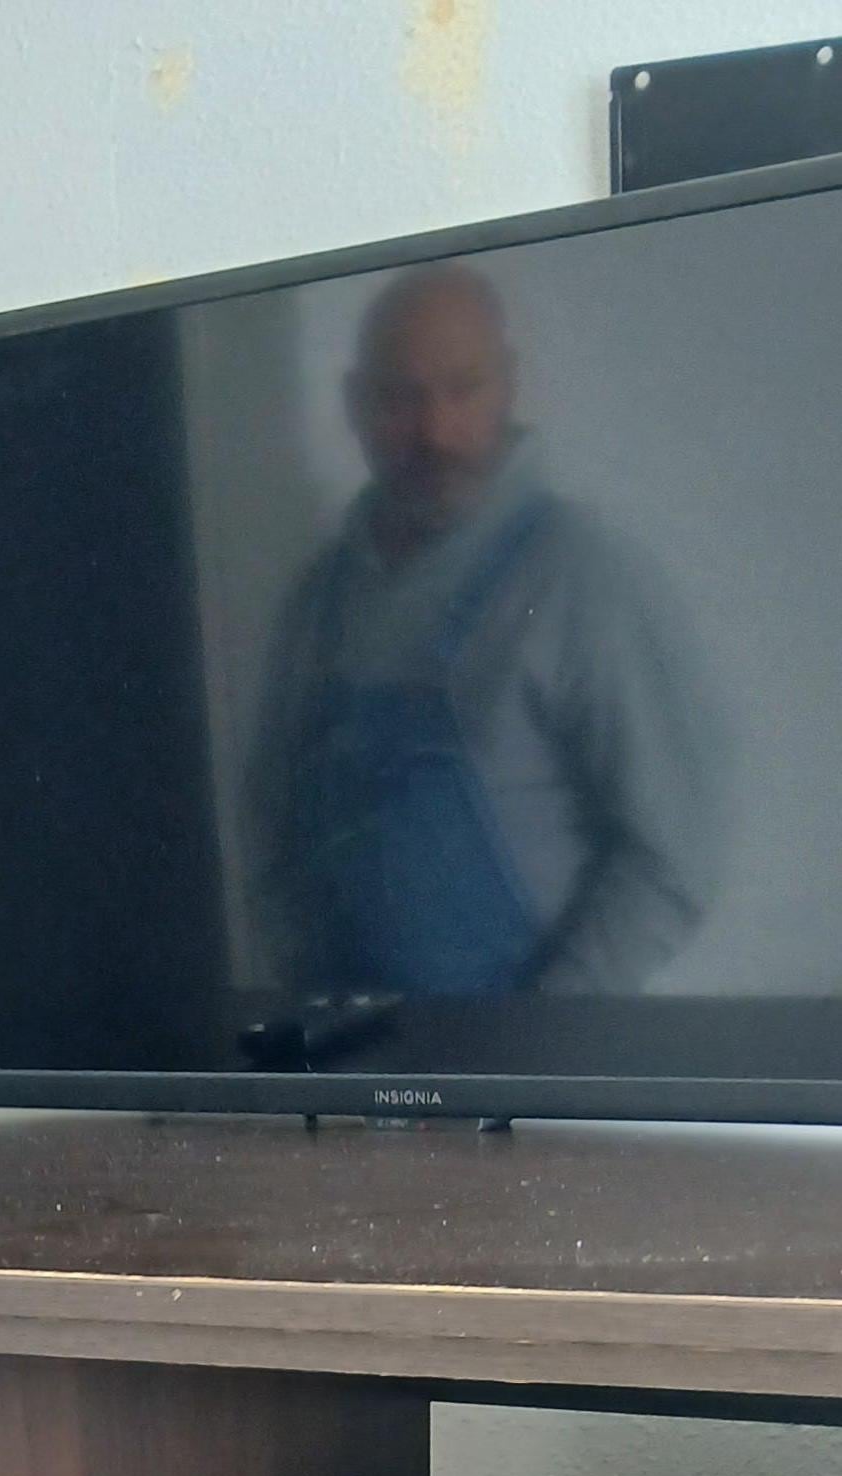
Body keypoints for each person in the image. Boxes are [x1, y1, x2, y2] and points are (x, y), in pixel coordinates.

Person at [248, 259, 728, 999]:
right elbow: (271, 842)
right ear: (355, 404)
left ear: (508, 384)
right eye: (400, 398)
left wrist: (539, 1036)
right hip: (356, 1052)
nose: (436, 432)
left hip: (534, 1055)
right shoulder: (319, 602)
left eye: (463, 390)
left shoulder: (578, 577)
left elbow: (670, 862)